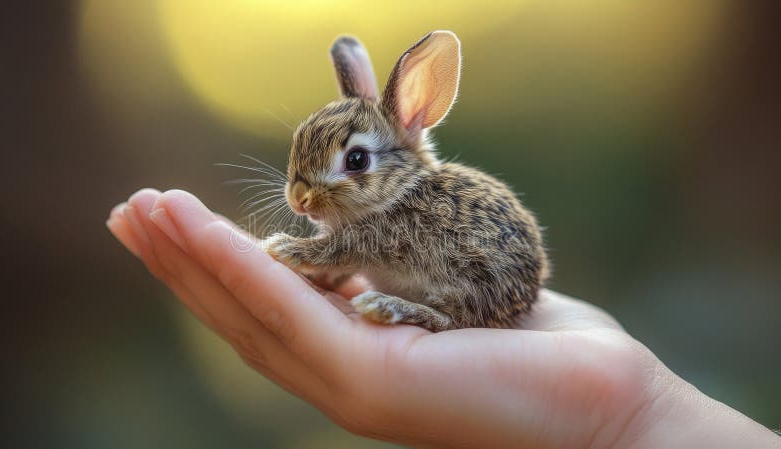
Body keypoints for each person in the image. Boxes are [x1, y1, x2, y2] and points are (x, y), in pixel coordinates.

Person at [106, 188, 779, 449]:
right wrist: (633, 418)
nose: (307, 195)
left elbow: (356, 246)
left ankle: (434, 313)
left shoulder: (399, 209)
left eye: (354, 165)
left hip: (475, 285)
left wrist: (631, 416)